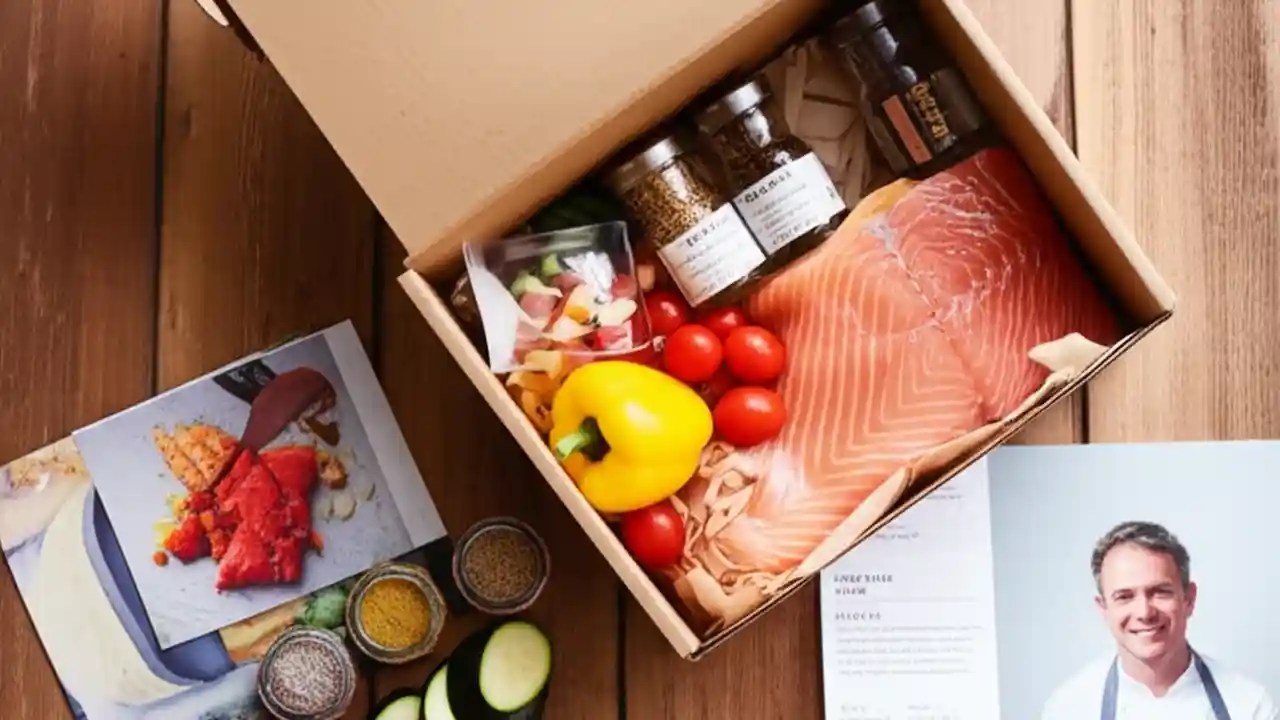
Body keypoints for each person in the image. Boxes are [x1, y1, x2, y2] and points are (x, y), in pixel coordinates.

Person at [1040, 520, 1279, 720]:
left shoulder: (1248, 706)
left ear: (1189, 599)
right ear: (1104, 609)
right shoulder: (1069, 709)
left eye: (1160, 592)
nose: (1144, 612)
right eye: (1124, 596)